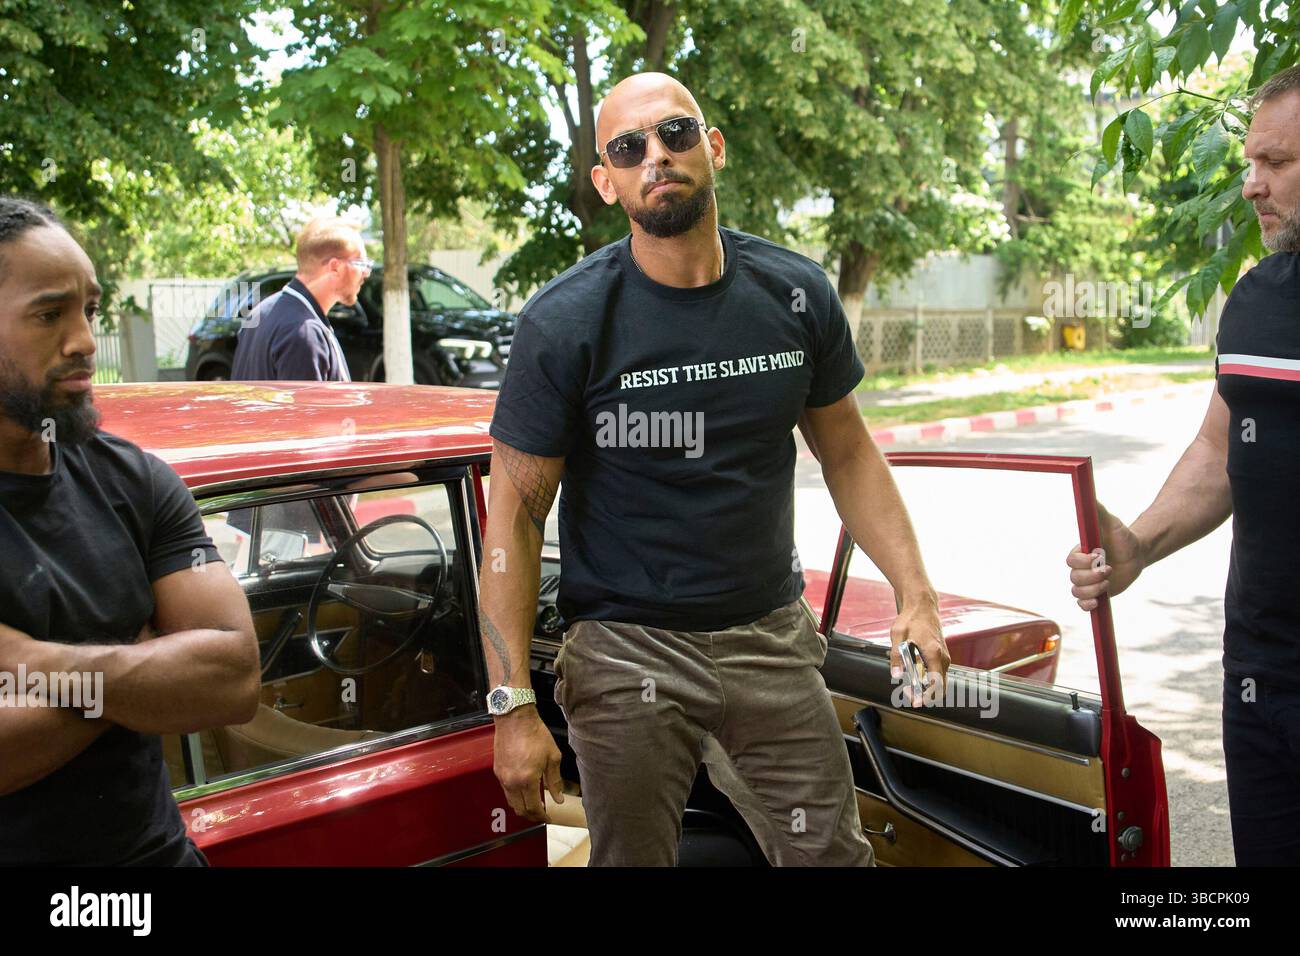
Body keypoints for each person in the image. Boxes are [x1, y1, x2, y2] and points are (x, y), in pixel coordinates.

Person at [479, 72, 949, 866]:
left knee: (835, 857)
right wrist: (511, 705)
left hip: (769, 638)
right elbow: (514, 520)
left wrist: (917, 594)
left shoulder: (793, 293)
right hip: (625, 652)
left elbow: (848, 454)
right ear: (607, 181)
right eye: (628, 148)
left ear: (713, 146)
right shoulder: (564, 322)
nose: (655, 156)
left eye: (675, 133)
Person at [1067, 65, 1300, 866]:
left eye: (1276, 164)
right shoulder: (1258, 298)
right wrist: (1139, 545)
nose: (1250, 185)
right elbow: (1219, 448)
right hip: (1261, 677)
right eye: (1249, 162)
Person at [0, 197, 260, 865]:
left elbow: (232, 679)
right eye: (49, 313)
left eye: (89, 308)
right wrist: (144, 669)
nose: (85, 338)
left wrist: (40, 665)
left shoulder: (133, 479)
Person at [230, 216, 369, 382]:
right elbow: (308, 408)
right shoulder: (304, 332)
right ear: (335, 267)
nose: (366, 273)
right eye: (361, 263)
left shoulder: (260, 313)